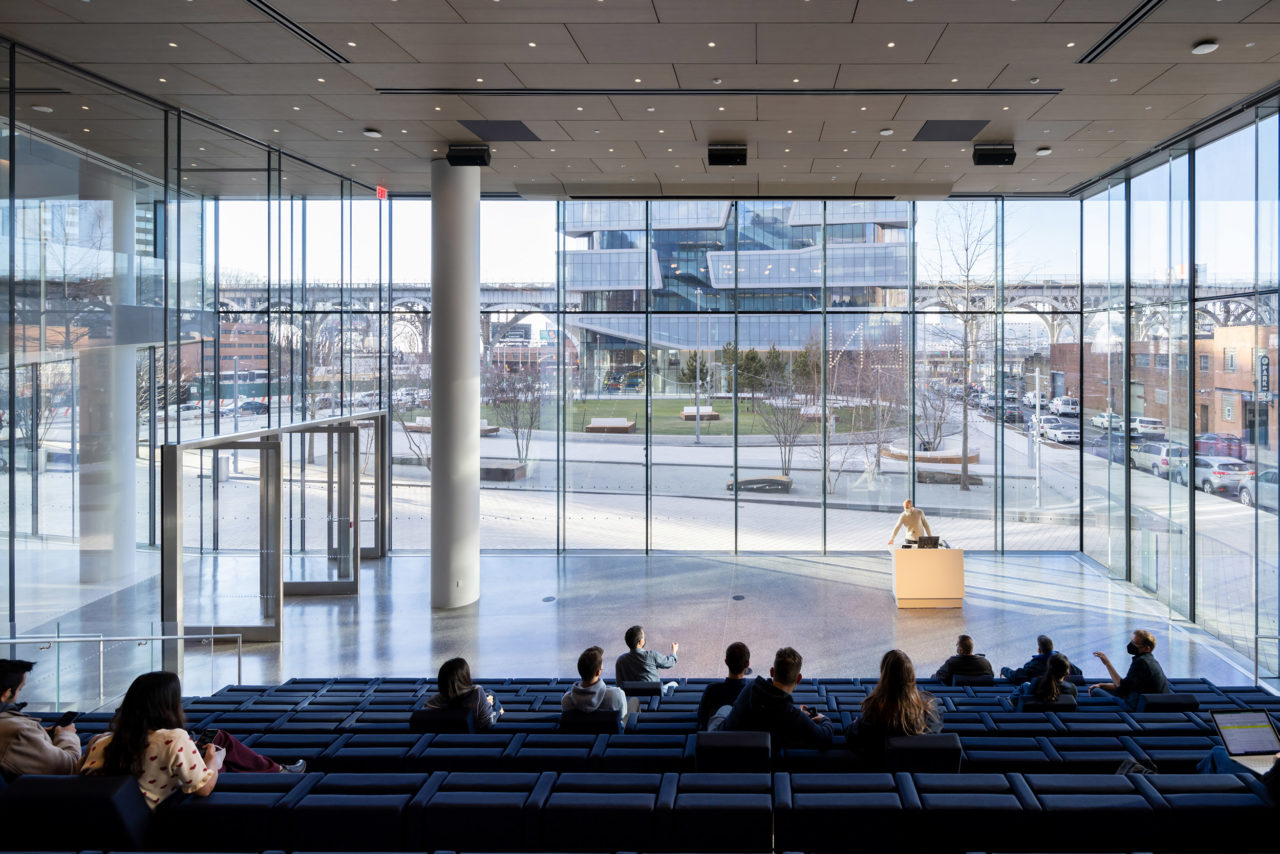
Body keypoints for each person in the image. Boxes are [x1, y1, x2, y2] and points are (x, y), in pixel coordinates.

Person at [79, 671, 303, 810]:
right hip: (161, 809)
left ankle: (276, 771)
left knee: (217, 737)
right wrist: (213, 760)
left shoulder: (102, 742)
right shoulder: (174, 738)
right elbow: (203, 789)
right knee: (222, 752)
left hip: (117, 810)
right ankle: (278, 773)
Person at [722, 647, 834, 749]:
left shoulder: (751, 687)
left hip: (723, 744)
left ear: (772, 671)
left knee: (725, 708)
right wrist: (825, 719)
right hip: (759, 762)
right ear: (799, 679)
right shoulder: (792, 715)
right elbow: (824, 738)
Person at [848, 649, 942, 770]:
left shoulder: (875, 714)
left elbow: (853, 738)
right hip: (923, 776)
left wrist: (856, 723)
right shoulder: (931, 706)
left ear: (884, 676)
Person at [0, 659, 81, 776]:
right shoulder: (19, 732)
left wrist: (39, 735)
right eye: (19, 689)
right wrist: (67, 735)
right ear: (6, 694)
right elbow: (70, 766)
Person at [1089, 629, 1171, 709]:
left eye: (1135, 643)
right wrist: (1101, 685)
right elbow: (1127, 685)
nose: (1131, 645)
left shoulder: (1141, 663)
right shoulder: (1150, 661)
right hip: (1148, 703)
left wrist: (1107, 663)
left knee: (1095, 691)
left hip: (1137, 708)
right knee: (1101, 688)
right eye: (1131, 641)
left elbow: (1121, 687)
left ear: (1147, 649)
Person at [419, 658, 502, 729]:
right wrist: (490, 707)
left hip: (449, 728)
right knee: (491, 693)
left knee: (488, 693)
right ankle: (499, 710)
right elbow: (487, 722)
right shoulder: (477, 692)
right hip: (476, 728)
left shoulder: (434, 701)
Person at [562, 646, 628, 721]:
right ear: (598, 672)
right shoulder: (616, 694)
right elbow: (622, 720)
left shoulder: (566, 700)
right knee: (634, 702)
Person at [697, 642, 750, 731]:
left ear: (726, 662)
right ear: (747, 664)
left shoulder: (711, 690)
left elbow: (702, 719)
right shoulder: (753, 691)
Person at [615, 625, 678, 691]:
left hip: (632, 696)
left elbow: (619, 684)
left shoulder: (620, 660)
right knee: (674, 683)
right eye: (643, 637)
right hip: (654, 695)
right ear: (640, 642)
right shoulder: (651, 655)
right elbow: (670, 662)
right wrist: (674, 651)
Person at [1001, 634, 1083, 682]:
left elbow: (1016, 676)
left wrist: (1004, 670)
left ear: (1039, 650)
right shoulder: (1063, 662)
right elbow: (1079, 673)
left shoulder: (1033, 666)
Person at [1011, 652, 1077, 704]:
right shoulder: (1072, 689)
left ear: (1048, 669)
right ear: (1067, 673)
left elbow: (1028, 700)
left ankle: (1009, 699)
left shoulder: (1037, 682)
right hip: (1059, 720)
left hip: (1033, 718)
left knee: (1025, 685)